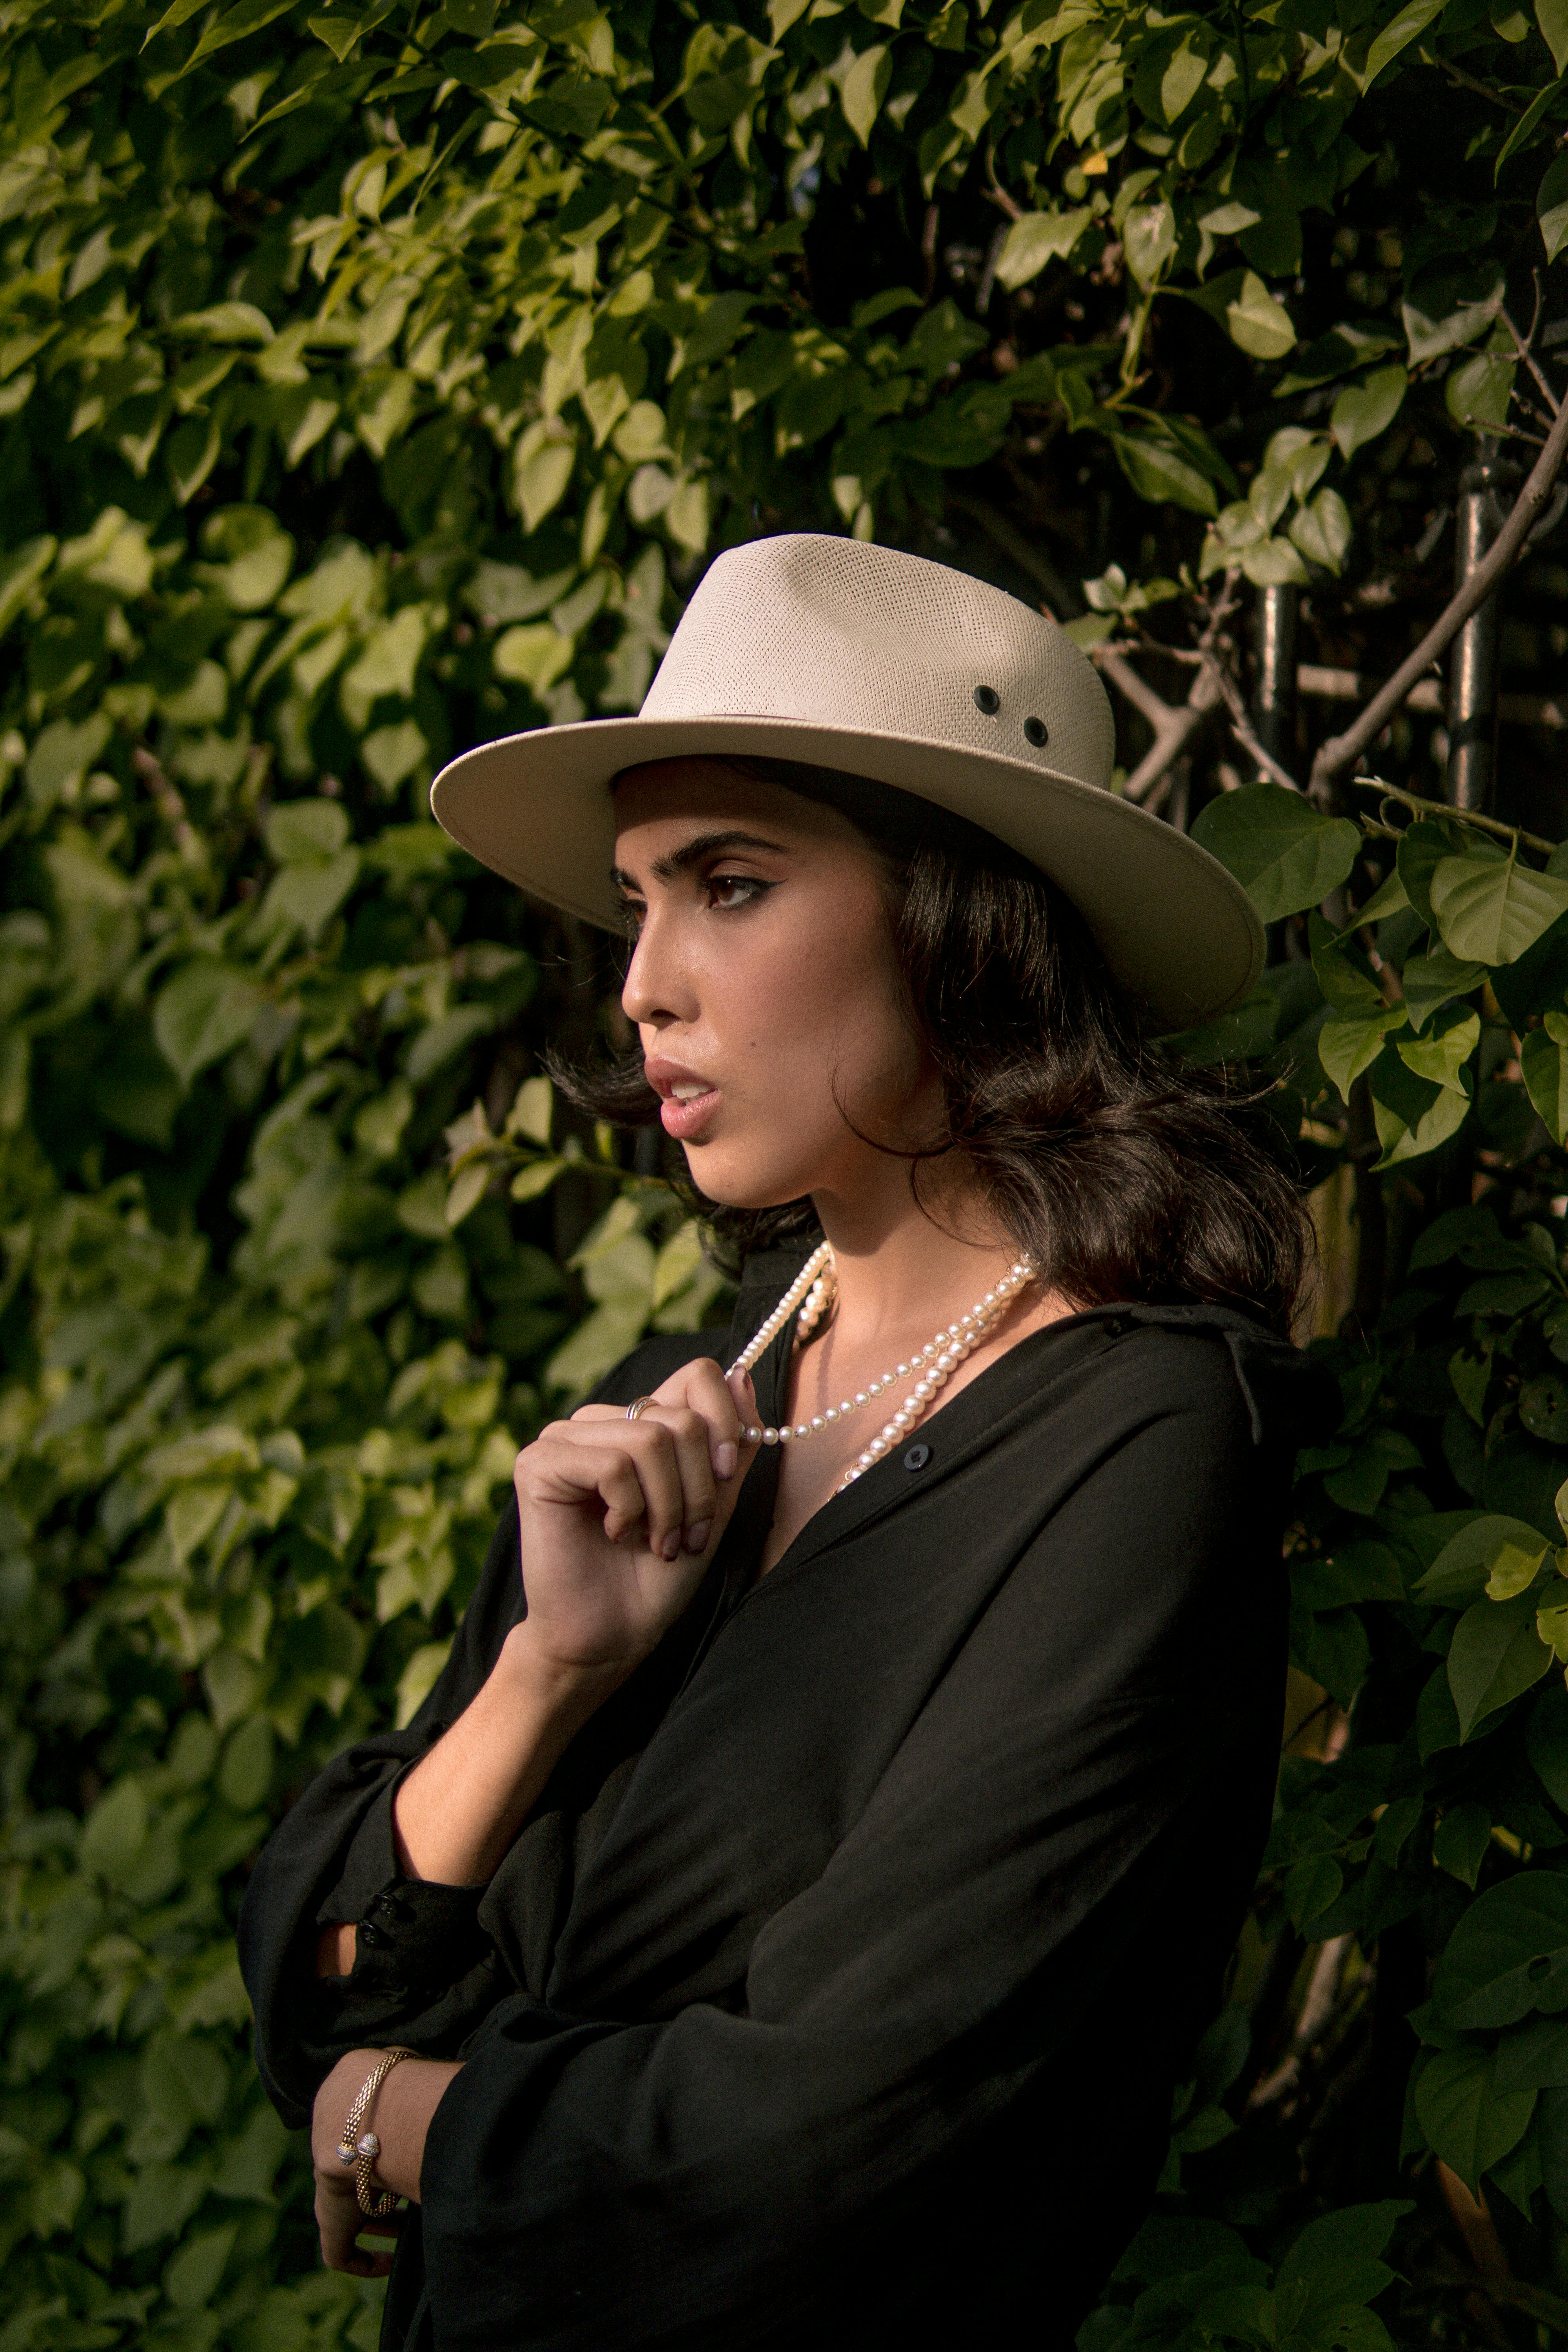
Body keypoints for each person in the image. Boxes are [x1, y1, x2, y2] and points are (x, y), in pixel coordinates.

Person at [238, 534, 1329, 2352]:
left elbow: (819, 2146)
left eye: (728, 885)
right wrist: (546, 1672)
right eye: (634, 901)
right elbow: (320, 1978)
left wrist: (396, 2118)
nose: (640, 985)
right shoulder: (690, 1409)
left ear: (959, 920)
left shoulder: (1141, 1439)